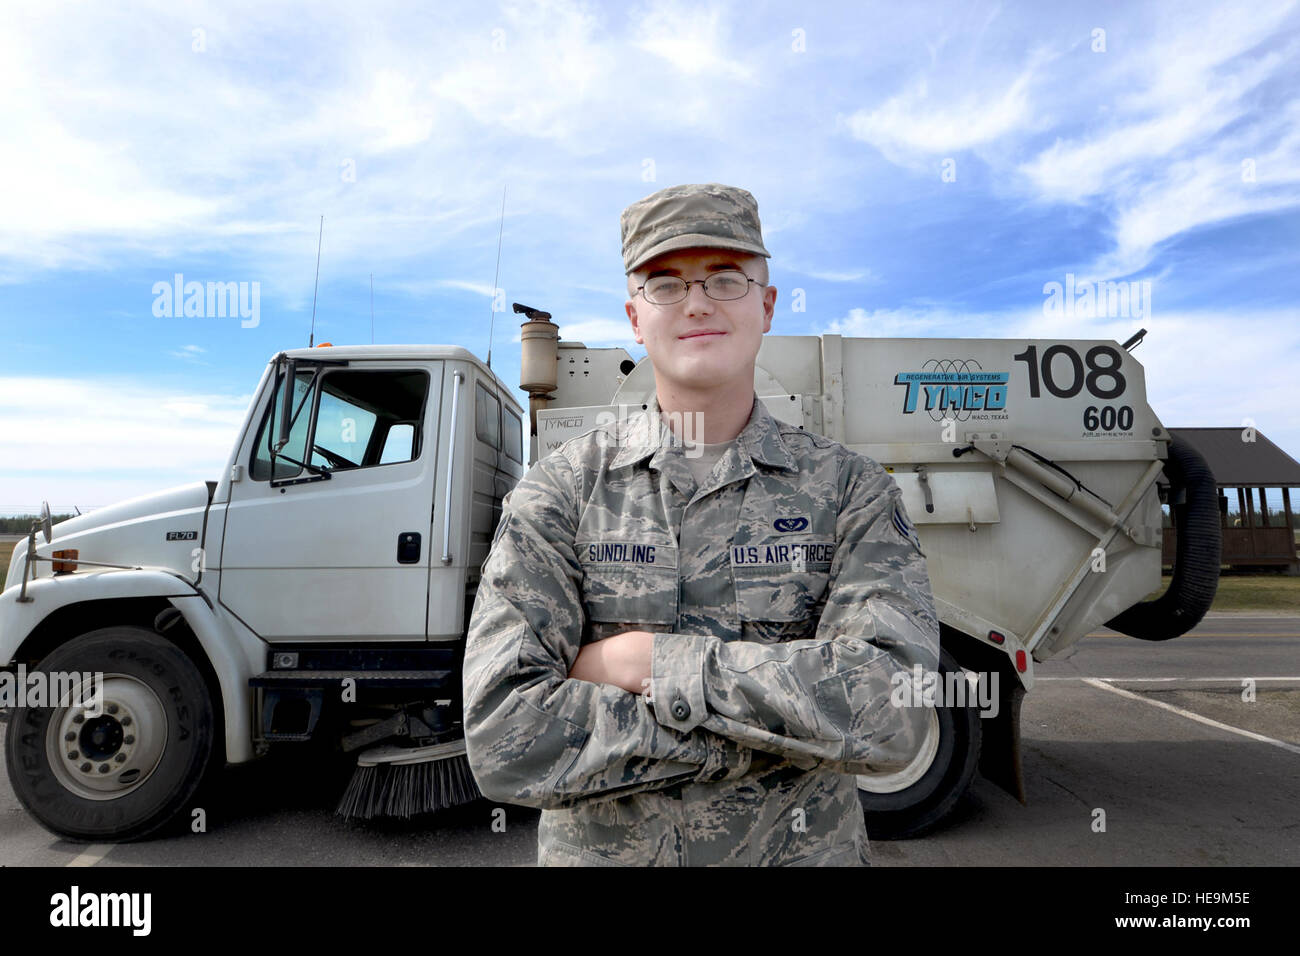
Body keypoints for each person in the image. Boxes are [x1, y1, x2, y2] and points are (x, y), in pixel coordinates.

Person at [463, 182, 940, 866]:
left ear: (766, 304)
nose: (696, 302)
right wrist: (788, 734)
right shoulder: (559, 495)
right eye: (665, 283)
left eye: (724, 278)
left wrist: (645, 663)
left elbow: (892, 711)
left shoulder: (850, 492)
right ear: (635, 316)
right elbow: (506, 741)